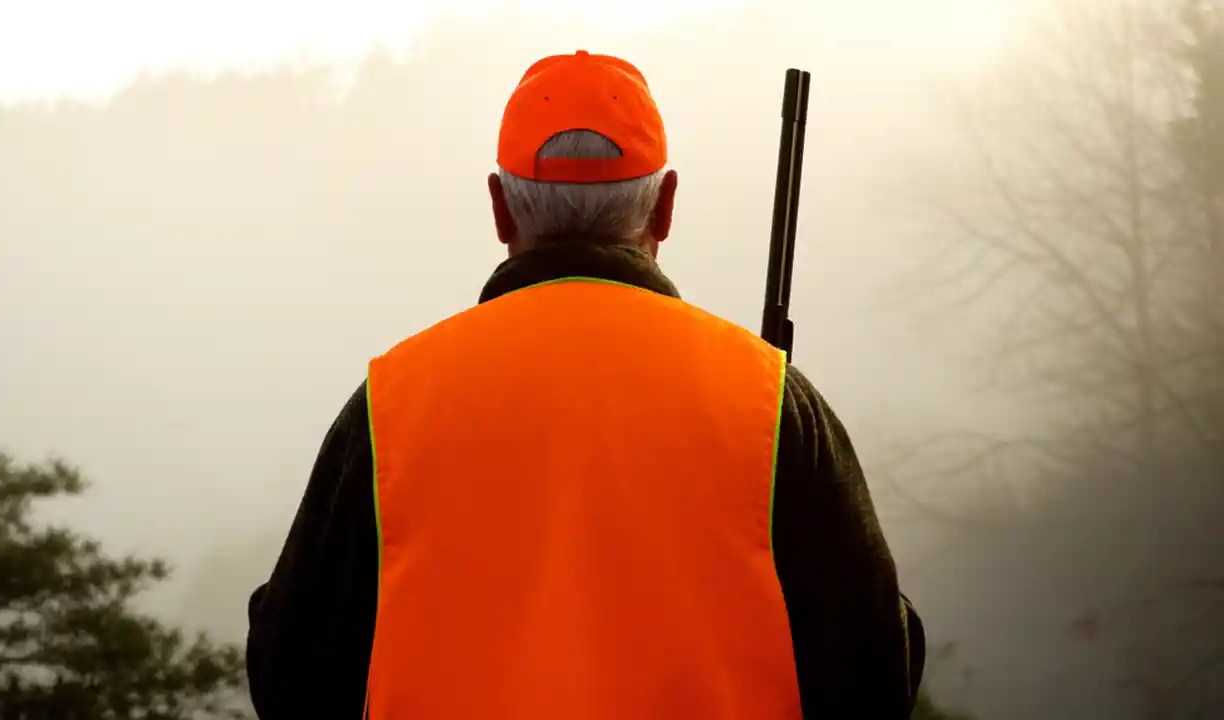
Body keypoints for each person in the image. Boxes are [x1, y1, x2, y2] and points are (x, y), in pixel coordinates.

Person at [247, 50, 924, 719]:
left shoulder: (393, 403)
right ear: (664, 207)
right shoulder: (771, 402)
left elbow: (292, 673)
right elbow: (874, 673)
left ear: (500, 210)